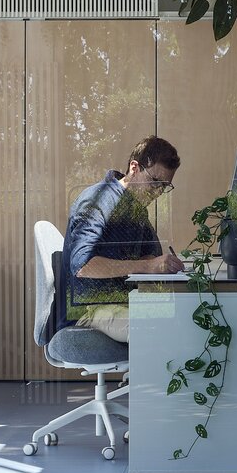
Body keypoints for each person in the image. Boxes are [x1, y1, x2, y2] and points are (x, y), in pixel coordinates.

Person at [62, 135, 183, 344]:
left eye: (164, 186)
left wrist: (161, 264)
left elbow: (151, 256)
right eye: (155, 182)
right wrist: (147, 266)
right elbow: (82, 266)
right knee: (160, 332)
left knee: (184, 316)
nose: (158, 192)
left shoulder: (136, 207)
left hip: (123, 301)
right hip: (90, 308)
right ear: (134, 167)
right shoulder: (97, 201)